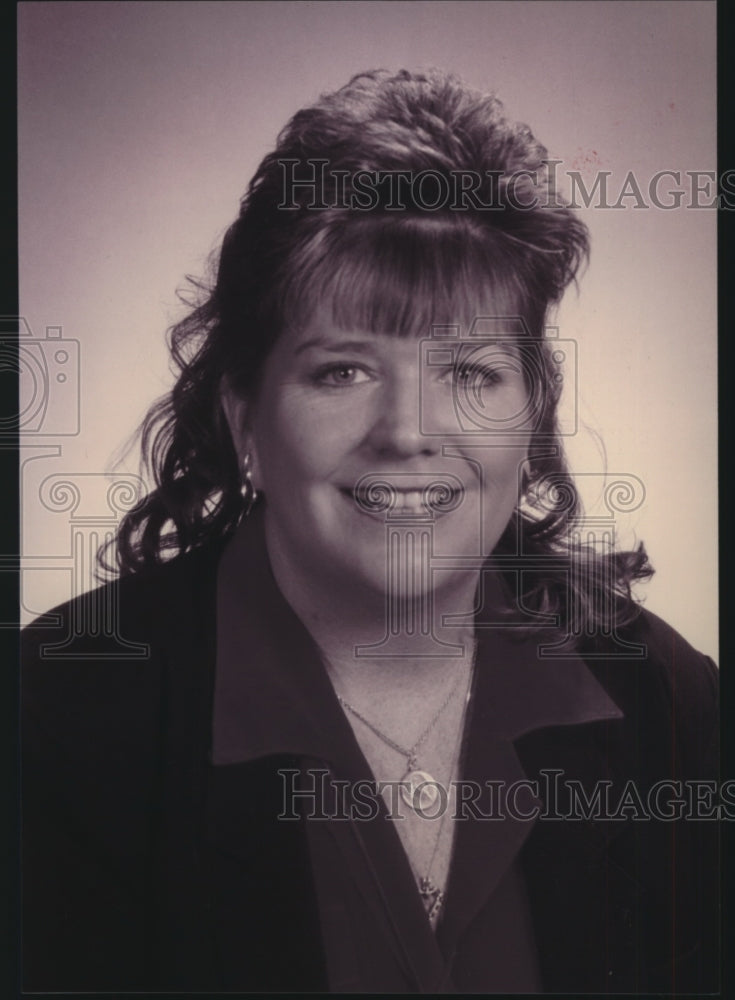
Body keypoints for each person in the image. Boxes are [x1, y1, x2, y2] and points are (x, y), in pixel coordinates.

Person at [21, 69, 719, 994]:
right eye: (342, 371)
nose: (407, 432)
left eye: (469, 373)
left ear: (531, 415)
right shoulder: (53, 720)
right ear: (245, 421)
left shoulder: (663, 703)